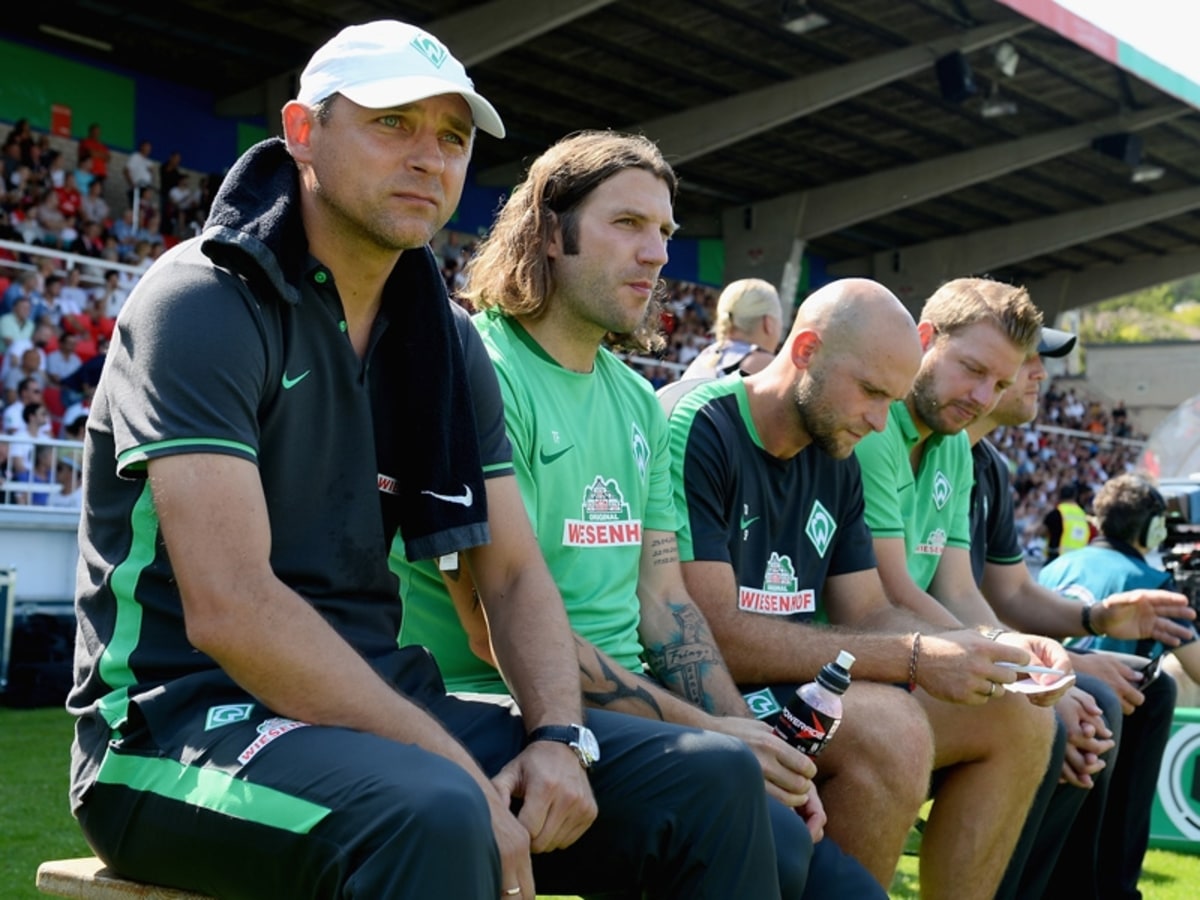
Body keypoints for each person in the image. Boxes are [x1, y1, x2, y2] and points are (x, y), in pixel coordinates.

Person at [68, 20, 786, 900]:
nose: (429, 158)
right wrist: (452, 761)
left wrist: (559, 737)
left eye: (451, 137)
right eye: (391, 124)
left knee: (706, 777)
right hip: (174, 728)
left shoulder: (441, 338)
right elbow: (232, 608)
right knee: (438, 808)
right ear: (302, 132)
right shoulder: (204, 299)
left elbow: (514, 574)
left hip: (375, 707)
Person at [395, 129, 869, 899]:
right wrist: (710, 736)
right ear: (550, 231)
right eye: (627, 225)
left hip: (633, 715)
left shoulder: (635, 403)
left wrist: (755, 741)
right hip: (493, 706)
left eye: (665, 233)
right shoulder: (477, 372)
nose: (656, 254)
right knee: (758, 828)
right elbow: (492, 630)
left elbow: (666, 603)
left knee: (834, 878)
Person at [664, 276, 1059, 898]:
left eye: (891, 399)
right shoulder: (704, 426)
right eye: (872, 392)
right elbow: (710, 631)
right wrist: (916, 657)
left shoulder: (838, 453)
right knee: (892, 728)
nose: (881, 421)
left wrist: (977, 647)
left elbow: (869, 609)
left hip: (801, 685)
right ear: (805, 351)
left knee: (1018, 718)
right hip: (711, 694)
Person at [852, 277, 1074, 896]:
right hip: (844, 659)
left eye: (998, 384)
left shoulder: (953, 447)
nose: (981, 397)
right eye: (972, 370)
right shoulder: (876, 426)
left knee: (1032, 718)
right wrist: (999, 651)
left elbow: (955, 588)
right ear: (924, 340)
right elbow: (893, 592)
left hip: (904, 657)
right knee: (1020, 716)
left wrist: (1019, 647)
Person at [965, 326, 1195, 899]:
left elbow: (1006, 595)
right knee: (1107, 702)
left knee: (1133, 695)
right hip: (951, 659)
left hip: (985, 645)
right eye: (1027, 360)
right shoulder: (1155, 579)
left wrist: (1088, 626)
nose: (1041, 372)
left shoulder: (989, 467)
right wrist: (1056, 662)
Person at [1039, 473, 1200, 900]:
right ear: (1153, 528)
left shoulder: (1054, 567)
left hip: (1043, 719)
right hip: (1112, 733)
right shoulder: (1152, 583)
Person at [1044, 482, 1091, 561]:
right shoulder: (1083, 514)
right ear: (1075, 496)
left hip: (1057, 559)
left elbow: (1041, 531)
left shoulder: (1058, 512)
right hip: (1078, 560)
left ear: (1060, 495)